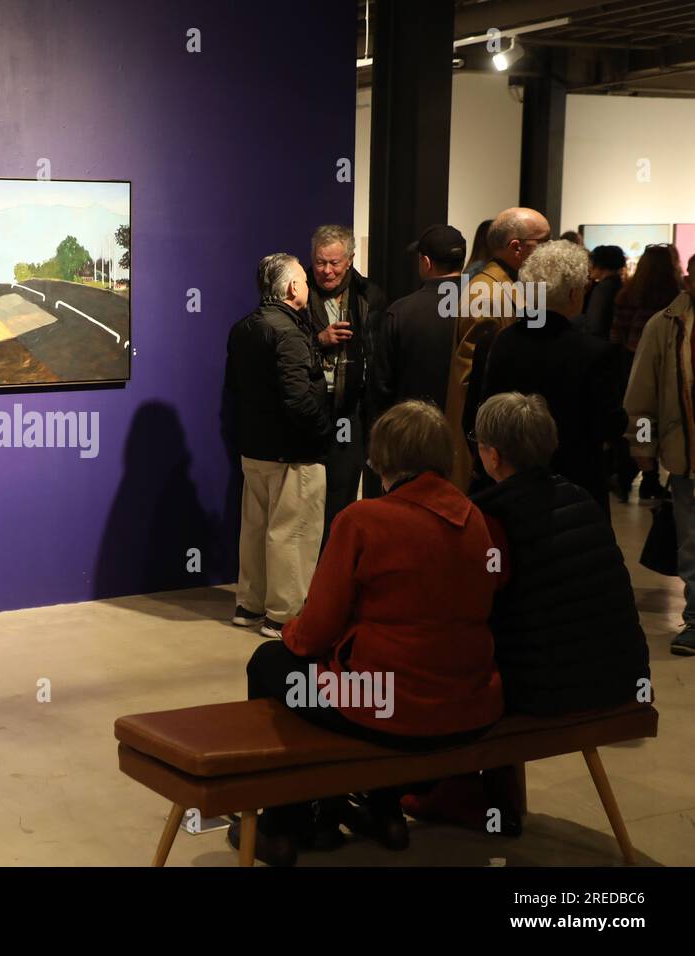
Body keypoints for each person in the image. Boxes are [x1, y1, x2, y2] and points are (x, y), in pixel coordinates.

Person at [239, 400, 502, 864]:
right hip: (468, 702)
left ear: (381, 457)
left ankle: (282, 823)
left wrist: (293, 635)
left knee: (272, 666)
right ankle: (383, 812)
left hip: (389, 706)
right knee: (373, 671)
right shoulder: (476, 519)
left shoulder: (363, 521)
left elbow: (313, 633)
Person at [404, 392, 651, 830]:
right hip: (622, 678)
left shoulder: (486, 517)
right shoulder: (580, 497)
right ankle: (490, 797)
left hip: (549, 693)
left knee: (444, 666)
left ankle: (455, 791)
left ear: (493, 456)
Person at [475, 241, 625, 513]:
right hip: (576, 488)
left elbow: (481, 413)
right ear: (572, 294)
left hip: (511, 485)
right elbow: (608, 424)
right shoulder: (595, 353)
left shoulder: (497, 344)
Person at [227, 254, 332, 638]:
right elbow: (299, 400)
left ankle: (249, 606)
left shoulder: (242, 329)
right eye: (304, 279)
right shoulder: (289, 333)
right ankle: (283, 616)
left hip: (254, 449)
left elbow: (234, 391)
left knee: (254, 530)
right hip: (293, 452)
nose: (308, 285)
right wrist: (323, 432)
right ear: (292, 288)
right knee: (293, 532)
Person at [444, 206, 551, 490]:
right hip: (492, 452)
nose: (549, 249)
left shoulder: (505, 286)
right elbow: (469, 381)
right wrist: (481, 454)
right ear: (516, 247)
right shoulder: (487, 293)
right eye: (544, 242)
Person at [624, 252, 695, 656]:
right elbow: (642, 396)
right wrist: (643, 451)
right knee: (691, 543)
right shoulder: (665, 325)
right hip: (685, 457)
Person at [304, 224, 387, 536]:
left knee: (343, 498)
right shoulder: (297, 292)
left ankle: (336, 569)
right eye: (320, 262)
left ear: (350, 260)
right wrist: (319, 339)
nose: (326, 271)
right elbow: (280, 348)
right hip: (308, 411)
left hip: (350, 410)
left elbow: (379, 356)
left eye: (334, 263)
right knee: (305, 503)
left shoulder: (369, 296)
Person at [612, 244, 684, 502]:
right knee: (655, 419)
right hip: (661, 364)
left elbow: (616, 333)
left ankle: (640, 472)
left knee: (639, 421)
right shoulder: (672, 297)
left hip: (628, 362)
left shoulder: (627, 294)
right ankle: (649, 476)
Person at [370, 224, 466, 415]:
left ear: (426, 262)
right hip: (467, 431)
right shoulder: (485, 306)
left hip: (413, 429)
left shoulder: (400, 312)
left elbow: (381, 386)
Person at [576, 245, 626, 341]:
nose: (589, 267)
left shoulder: (603, 289)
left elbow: (594, 324)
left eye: (591, 262)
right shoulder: (619, 284)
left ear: (599, 264)